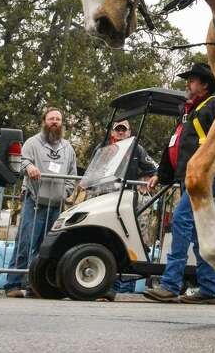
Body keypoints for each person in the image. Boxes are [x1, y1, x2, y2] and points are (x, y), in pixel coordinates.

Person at [143, 63, 215, 304]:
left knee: (181, 219)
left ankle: (170, 285)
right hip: (188, 177)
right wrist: (161, 174)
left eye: (193, 80)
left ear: (205, 84)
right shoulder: (187, 110)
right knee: (200, 234)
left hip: (206, 175)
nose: (188, 84)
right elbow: (174, 143)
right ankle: (209, 290)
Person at [4, 107, 77, 297]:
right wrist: (29, 167)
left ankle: (34, 287)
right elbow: (20, 161)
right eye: (51, 118)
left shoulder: (68, 147)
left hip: (56, 206)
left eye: (58, 119)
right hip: (34, 202)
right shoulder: (32, 142)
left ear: (62, 123)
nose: (55, 122)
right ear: (44, 121)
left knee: (47, 248)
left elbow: (72, 175)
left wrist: (65, 192)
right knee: (25, 243)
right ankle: (12, 285)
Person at [90, 119, 158, 298]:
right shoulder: (102, 148)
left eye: (124, 129)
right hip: (103, 201)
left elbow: (153, 168)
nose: (120, 132)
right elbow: (92, 173)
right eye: (117, 129)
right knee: (106, 240)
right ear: (112, 132)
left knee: (126, 242)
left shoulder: (137, 148)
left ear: (129, 132)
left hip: (126, 204)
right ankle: (105, 286)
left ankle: (125, 290)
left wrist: (150, 179)